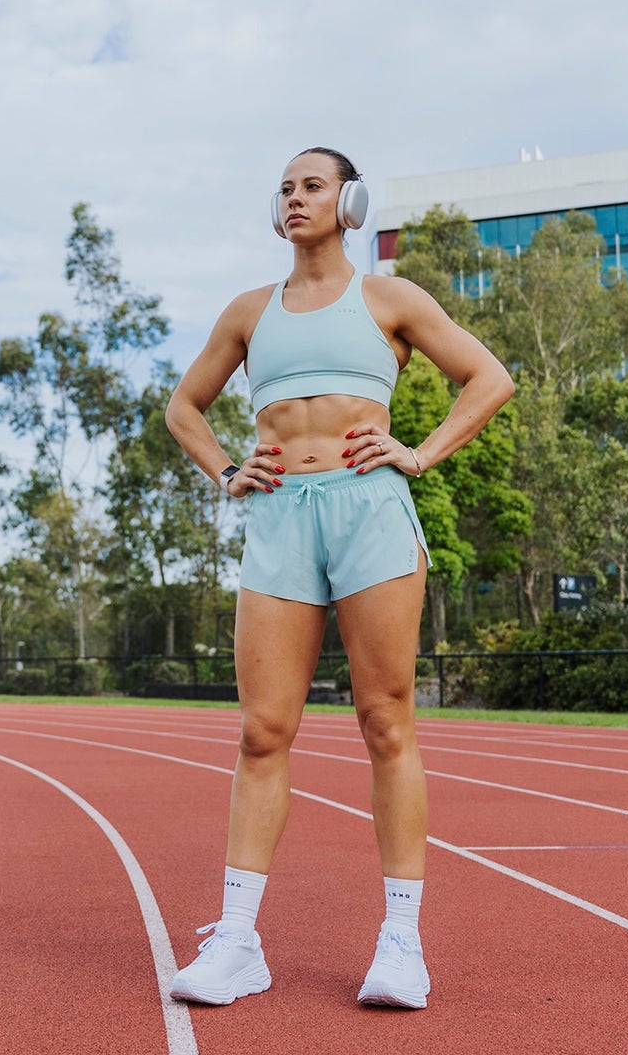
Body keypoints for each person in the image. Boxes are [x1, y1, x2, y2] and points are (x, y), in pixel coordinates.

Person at [161, 146, 513, 1009]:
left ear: (348, 201)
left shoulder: (389, 298)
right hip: (279, 521)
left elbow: (489, 378)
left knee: (385, 722)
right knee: (261, 730)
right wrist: (223, 472)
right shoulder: (250, 311)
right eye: (283, 188)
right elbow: (183, 407)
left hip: (370, 514)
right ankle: (238, 943)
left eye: (311, 185)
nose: (294, 199)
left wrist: (421, 452)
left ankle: (401, 944)